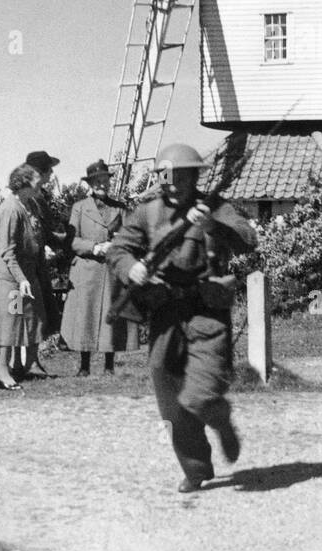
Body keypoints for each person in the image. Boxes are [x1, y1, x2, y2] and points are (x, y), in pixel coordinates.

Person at [108, 143, 257, 493]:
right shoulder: (146, 212)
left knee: (200, 395)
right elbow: (118, 250)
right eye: (168, 177)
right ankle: (196, 468)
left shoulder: (215, 206)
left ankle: (220, 420)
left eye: (182, 176)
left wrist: (214, 226)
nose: (174, 184)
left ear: (194, 176)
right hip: (165, 312)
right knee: (171, 403)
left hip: (206, 310)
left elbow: (248, 239)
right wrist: (133, 269)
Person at [60, 160, 133, 376]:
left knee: (110, 317)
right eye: (98, 181)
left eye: (105, 181)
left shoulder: (120, 208)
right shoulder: (79, 208)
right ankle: (84, 366)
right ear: (90, 184)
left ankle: (109, 366)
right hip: (87, 269)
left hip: (111, 271)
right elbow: (72, 241)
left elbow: (131, 238)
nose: (102, 184)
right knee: (86, 317)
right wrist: (95, 247)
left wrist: (118, 243)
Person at [0, 164, 48, 391]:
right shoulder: (11, 209)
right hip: (9, 278)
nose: (42, 181)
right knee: (8, 324)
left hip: (22, 275)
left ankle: (16, 367)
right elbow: (7, 251)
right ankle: (1, 373)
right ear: (23, 182)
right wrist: (22, 280)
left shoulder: (26, 205)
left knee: (23, 321)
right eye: (37, 178)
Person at [23, 150, 71, 338]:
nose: (52, 174)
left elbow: (45, 232)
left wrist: (69, 238)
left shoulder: (39, 197)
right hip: (22, 268)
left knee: (38, 313)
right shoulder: (24, 198)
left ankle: (32, 360)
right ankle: (14, 362)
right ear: (39, 171)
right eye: (49, 170)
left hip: (38, 266)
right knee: (19, 313)